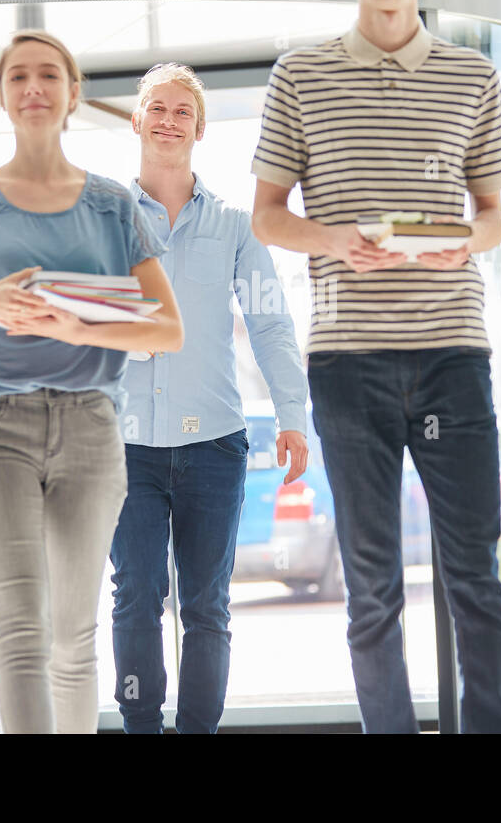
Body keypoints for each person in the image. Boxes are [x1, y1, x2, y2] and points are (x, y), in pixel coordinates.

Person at [250, 0, 501, 733]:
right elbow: (266, 214)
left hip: (452, 352)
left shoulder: (473, 76)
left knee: (474, 572)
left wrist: (463, 245)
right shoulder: (300, 75)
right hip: (347, 361)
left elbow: (494, 215)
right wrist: (334, 240)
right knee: (370, 584)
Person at [0, 29, 184, 734]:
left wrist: (77, 329)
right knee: (22, 631)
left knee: (73, 636)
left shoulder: (113, 204)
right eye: (19, 76)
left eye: (49, 76)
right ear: (2, 95)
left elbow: (166, 330)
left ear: (72, 95)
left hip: (92, 428)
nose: (34, 87)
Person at [110, 63, 309, 734]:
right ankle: (141, 726)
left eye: (181, 112)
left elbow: (271, 323)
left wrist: (292, 416)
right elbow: (74, 320)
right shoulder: (102, 218)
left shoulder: (233, 225)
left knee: (207, 606)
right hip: (126, 447)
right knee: (135, 596)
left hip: (214, 444)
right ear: (136, 121)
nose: (168, 121)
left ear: (199, 128)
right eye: (156, 109)